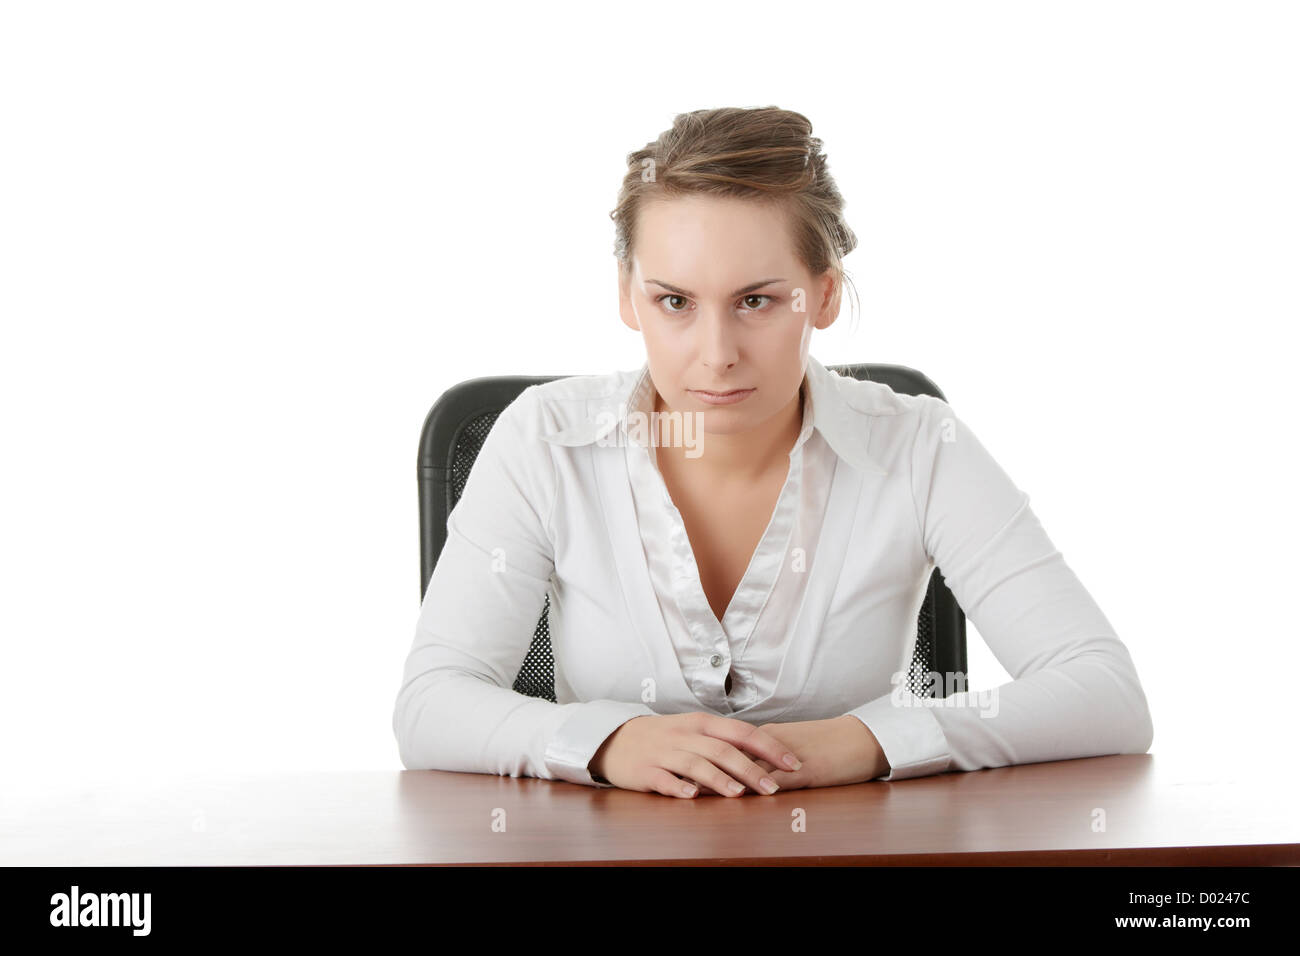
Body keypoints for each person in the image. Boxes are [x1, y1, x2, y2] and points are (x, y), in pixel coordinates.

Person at [391, 105, 1154, 799]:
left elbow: (1104, 693)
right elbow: (431, 704)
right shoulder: (542, 439)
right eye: (675, 302)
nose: (716, 354)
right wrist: (609, 742)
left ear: (822, 295)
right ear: (628, 295)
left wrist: (862, 741)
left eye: (756, 301)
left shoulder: (920, 446)